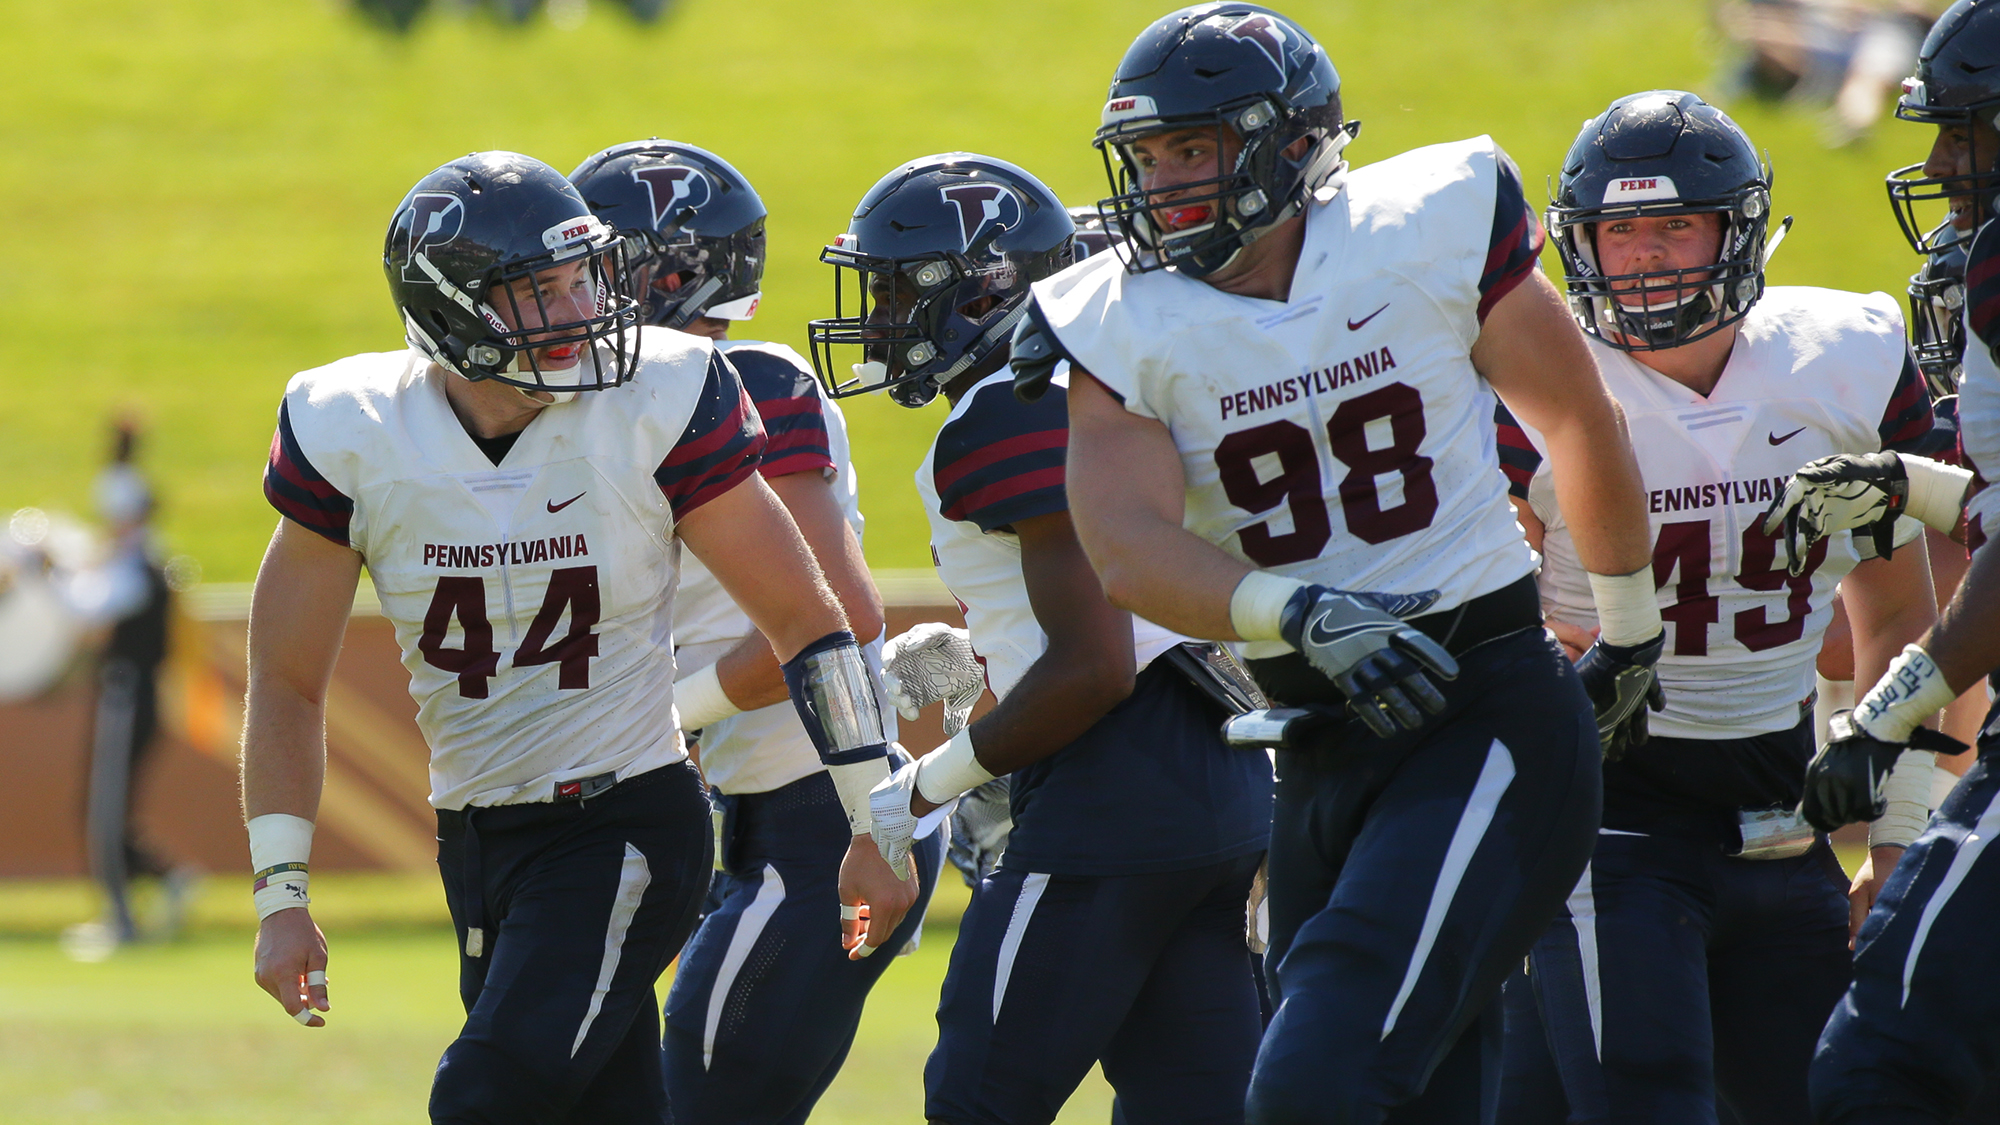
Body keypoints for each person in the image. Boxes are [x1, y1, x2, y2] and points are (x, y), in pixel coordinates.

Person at [1016, 5, 1664, 1120]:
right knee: (1414, 1093)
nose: (1164, 181)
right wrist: (1298, 610)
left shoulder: (1421, 225)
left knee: (1312, 1081)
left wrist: (1629, 626)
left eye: (1193, 148)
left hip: (1482, 707)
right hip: (1316, 743)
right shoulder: (1115, 318)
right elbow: (1124, 549)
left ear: (1285, 143)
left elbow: (1575, 422)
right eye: (1149, 154)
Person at [241, 151, 915, 1124]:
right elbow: (286, 680)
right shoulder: (350, 426)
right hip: (476, 830)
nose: (578, 312)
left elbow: (811, 623)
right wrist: (281, 894)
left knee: (487, 1094)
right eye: (537, 292)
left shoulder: (664, 395)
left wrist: (869, 819)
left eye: (580, 280)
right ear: (448, 308)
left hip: (626, 819)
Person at [1492, 90, 1940, 1125]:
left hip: (1783, 825)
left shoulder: (1841, 359)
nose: (1642, 257)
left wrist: (1898, 835)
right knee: (1641, 1097)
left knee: (1838, 1100)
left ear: (1735, 231)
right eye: (1617, 231)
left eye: (1671, 225)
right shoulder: (1523, 391)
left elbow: (1890, 618)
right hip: (1608, 825)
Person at [815, 151, 1275, 1125]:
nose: (882, 319)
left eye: (901, 293)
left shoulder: (1008, 409)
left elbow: (1093, 664)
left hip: (1119, 787)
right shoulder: (1102, 381)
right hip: (1219, 775)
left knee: (979, 1098)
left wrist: (905, 802)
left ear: (982, 291)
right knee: (1192, 1102)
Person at [568, 138, 944, 1125]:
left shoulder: (749, 378)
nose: (565, 298)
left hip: (827, 817)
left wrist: (666, 716)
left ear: (671, 273)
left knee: (706, 1104)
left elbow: (838, 612)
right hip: (751, 820)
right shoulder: (613, 413)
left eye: (588, 270)